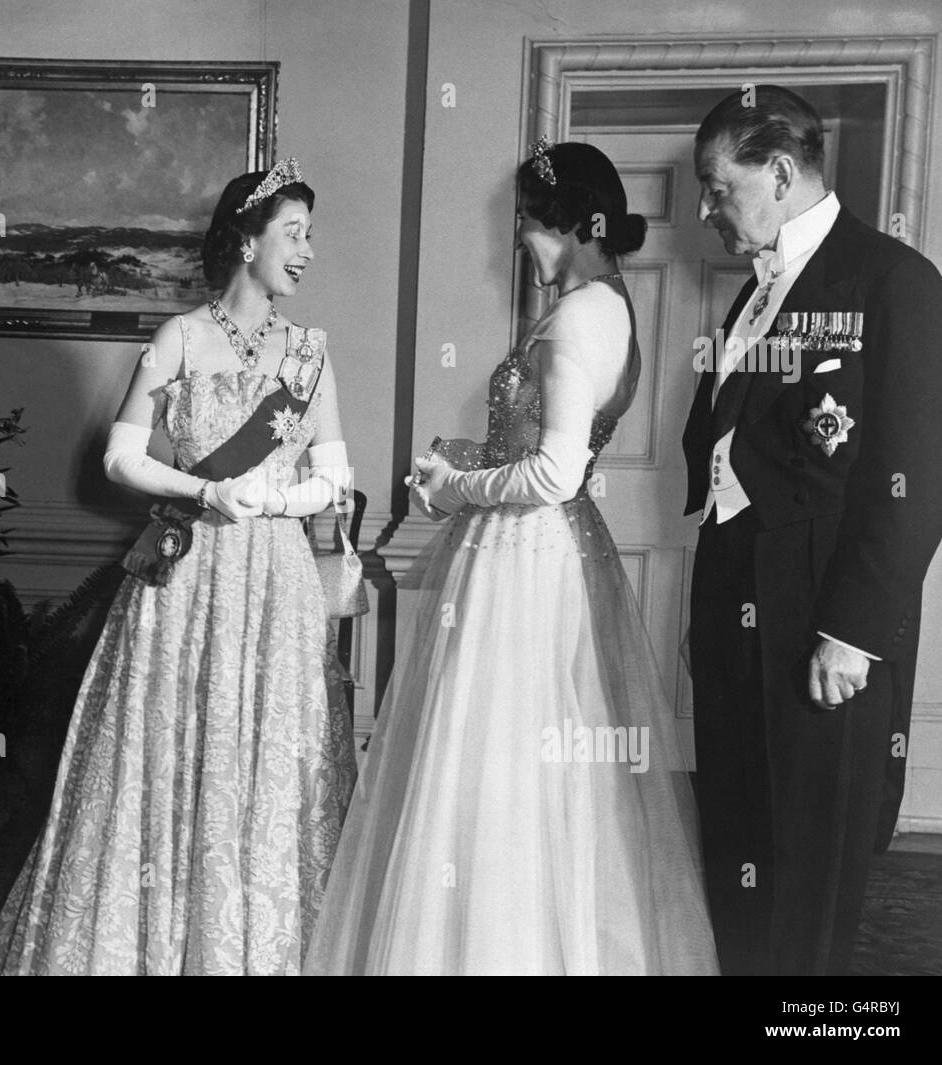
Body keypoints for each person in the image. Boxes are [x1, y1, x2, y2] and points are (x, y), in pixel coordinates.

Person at [304, 141, 717, 975]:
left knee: (496, 765)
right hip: (538, 555)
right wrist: (456, 456)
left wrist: (455, 486)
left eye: (525, 222)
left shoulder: (578, 318)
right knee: (530, 767)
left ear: (571, 224)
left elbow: (558, 471)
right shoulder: (599, 307)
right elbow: (529, 440)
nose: (517, 242)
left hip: (525, 565)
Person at [0, 159, 357, 975]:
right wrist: (207, 487)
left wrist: (276, 501)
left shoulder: (312, 356)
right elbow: (119, 458)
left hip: (275, 583)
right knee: (169, 753)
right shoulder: (179, 337)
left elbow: (336, 478)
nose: (307, 251)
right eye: (293, 233)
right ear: (245, 240)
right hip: (183, 577)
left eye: (309, 236)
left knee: (264, 758)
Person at [683, 86, 942, 975]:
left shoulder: (892, 280)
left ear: (783, 172)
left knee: (808, 869)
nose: (707, 210)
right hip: (738, 613)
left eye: (719, 188)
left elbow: (915, 478)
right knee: (738, 846)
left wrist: (853, 632)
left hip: (820, 625)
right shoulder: (755, 294)